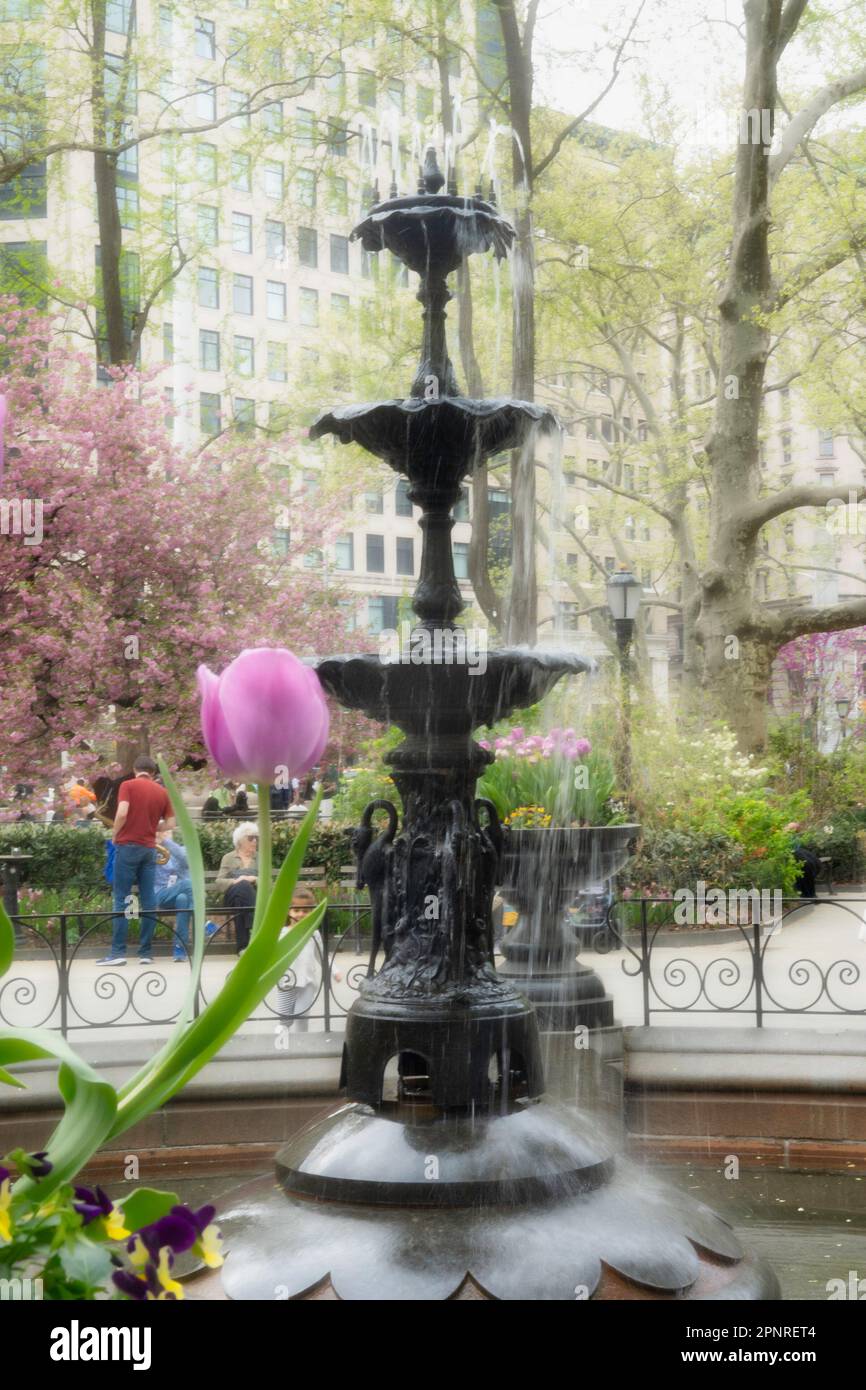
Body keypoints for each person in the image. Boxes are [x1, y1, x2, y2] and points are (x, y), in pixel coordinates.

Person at [100, 757, 174, 966]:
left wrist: (115, 833)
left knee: (122, 899)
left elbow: (122, 812)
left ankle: (117, 953)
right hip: (149, 850)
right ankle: (146, 953)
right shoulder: (162, 792)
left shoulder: (128, 785)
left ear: (135, 770)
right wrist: (152, 828)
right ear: (152, 772)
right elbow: (171, 823)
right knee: (148, 900)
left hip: (127, 847)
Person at [274, 887, 337, 1032]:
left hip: (307, 982)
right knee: (284, 1020)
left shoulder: (313, 933)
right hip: (285, 983)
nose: (301, 914)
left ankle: (301, 1044)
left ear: (312, 912)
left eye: (305, 910)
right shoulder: (282, 933)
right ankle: (282, 1047)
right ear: (289, 911)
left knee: (302, 1017)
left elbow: (322, 955)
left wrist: (334, 971)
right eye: (296, 910)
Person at [215, 821, 258, 953]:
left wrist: (254, 879)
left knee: (242, 903)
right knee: (242, 887)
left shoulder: (260, 858)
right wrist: (237, 881)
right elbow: (219, 882)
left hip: (253, 899)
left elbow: (268, 882)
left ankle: (243, 947)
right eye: (251, 838)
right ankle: (254, 926)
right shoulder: (228, 858)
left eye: (256, 837)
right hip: (231, 898)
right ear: (240, 841)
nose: (255, 841)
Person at [154, 828, 193, 962]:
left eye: (165, 831)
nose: (161, 833)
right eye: (159, 831)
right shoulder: (151, 851)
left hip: (178, 896)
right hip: (161, 895)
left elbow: (185, 860)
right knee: (188, 884)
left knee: (183, 899)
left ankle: (179, 948)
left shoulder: (180, 851)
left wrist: (166, 842)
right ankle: (203, 922)